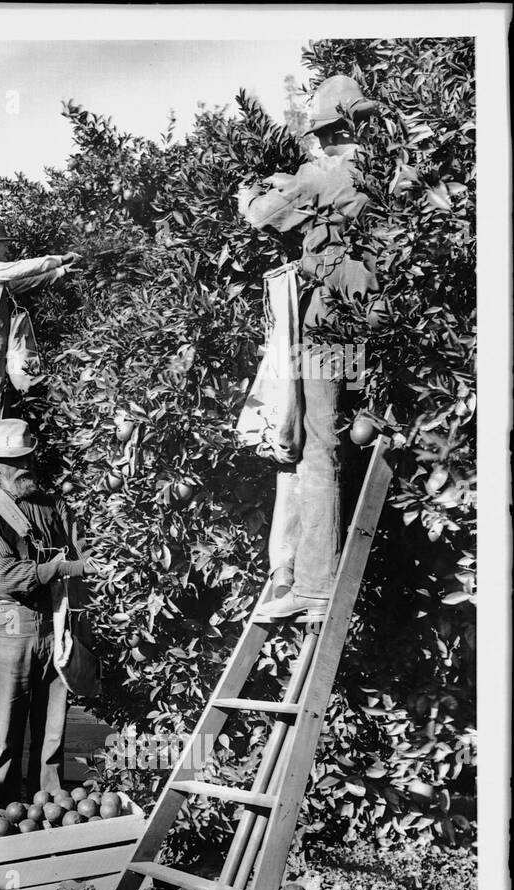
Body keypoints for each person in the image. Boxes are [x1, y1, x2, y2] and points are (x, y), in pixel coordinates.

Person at [237, 75, 381, 619]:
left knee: (316, 451)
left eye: (320, 132)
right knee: (332, 439)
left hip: (323, 325)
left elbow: (264, 216)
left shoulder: (318, 171)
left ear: (330, 129)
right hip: (363, 319)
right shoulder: (382, 169)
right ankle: (306, 575)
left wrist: (255, 191)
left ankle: (313, 586)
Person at [0, 418, 88, 803]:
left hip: (56, 628)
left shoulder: (55, 507)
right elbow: (6, 576)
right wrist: (63, 568)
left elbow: (89, 554)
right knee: (5, 731)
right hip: (13, 631)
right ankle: (0, 809)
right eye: (17, 462)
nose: (27, 468)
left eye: (29, 458)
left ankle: (47, 806)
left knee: (52, 729)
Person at [0, 223, 78, 468]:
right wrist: (58, 259)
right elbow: (21, 269)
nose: (8, 247)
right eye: (4, 244)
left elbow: (20, 285)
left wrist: (61, 272)